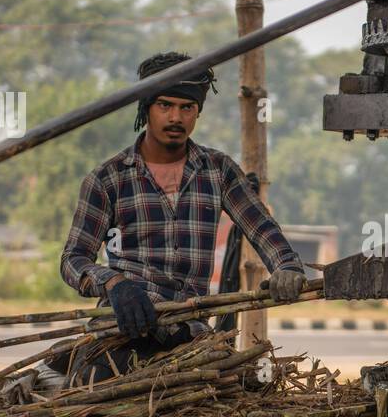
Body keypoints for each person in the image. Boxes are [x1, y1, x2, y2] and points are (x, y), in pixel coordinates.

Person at [55, 50, 306, 383]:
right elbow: (73, 260)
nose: (176, 117)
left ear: (197, 112)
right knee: (93, 383)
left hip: (192, 334)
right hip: (124, 327)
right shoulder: (108, 178)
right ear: (145, 109)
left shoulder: (218, 171)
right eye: (165, 106)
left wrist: (286, 267)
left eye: (187, 108)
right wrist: (114, 283)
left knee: (248, 388)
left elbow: (262, 229)